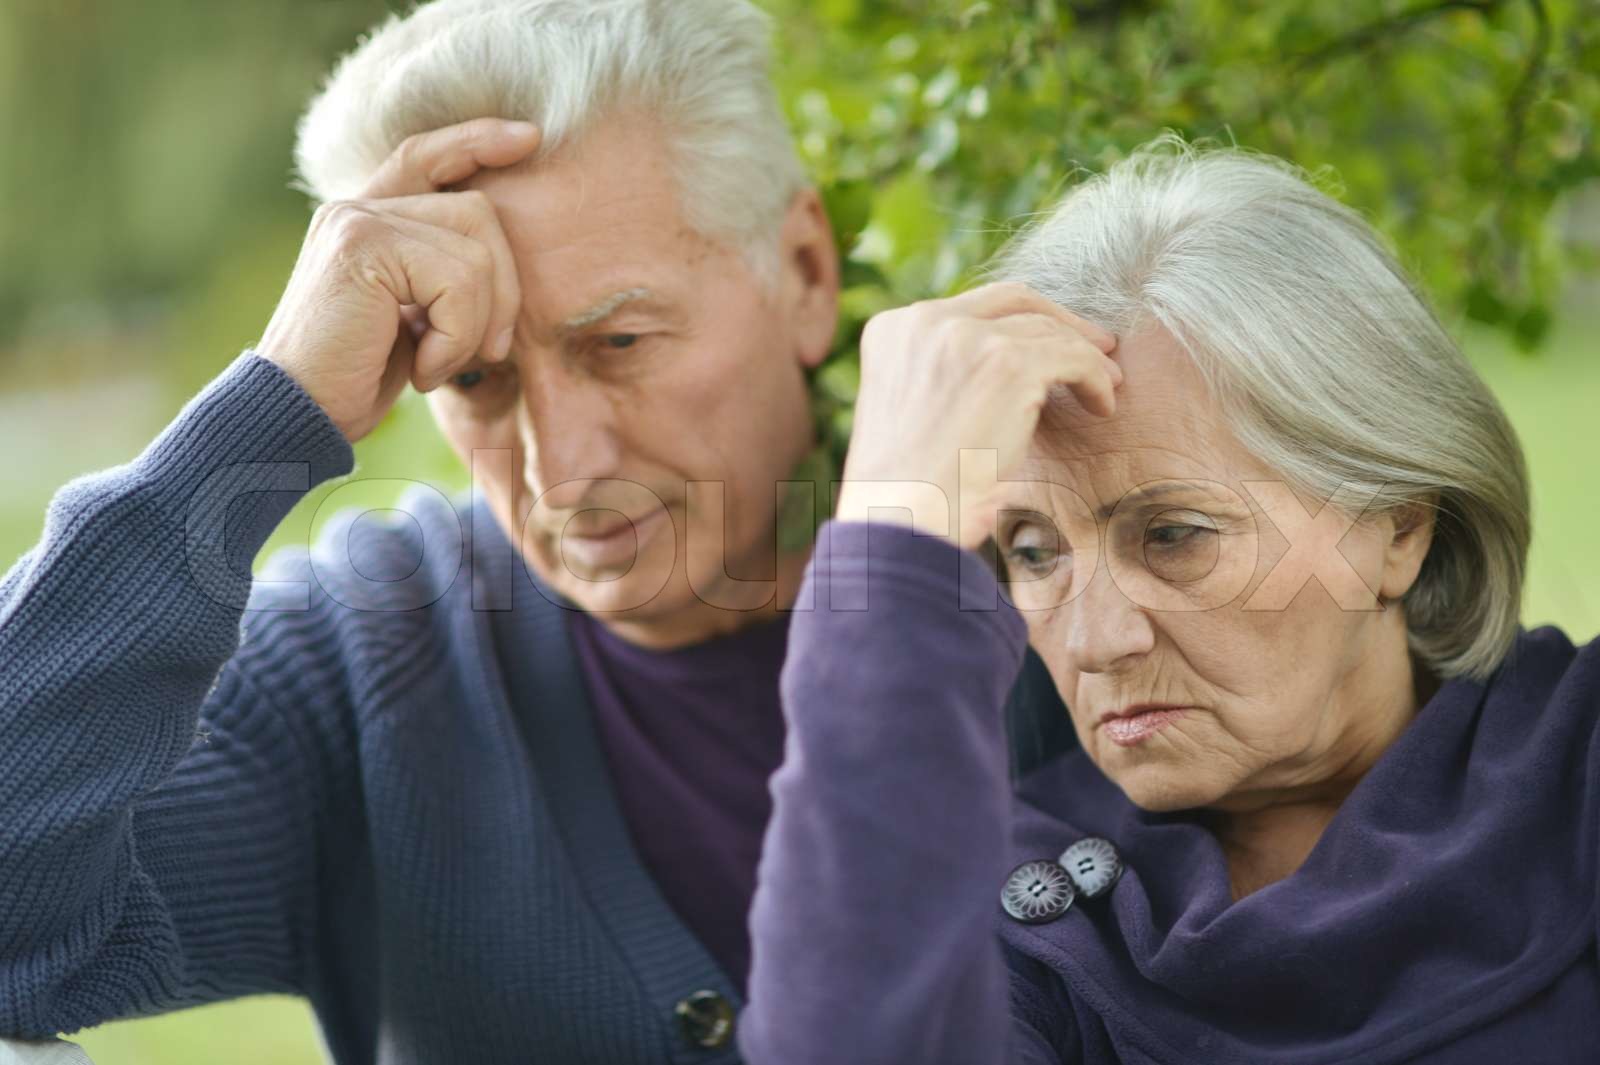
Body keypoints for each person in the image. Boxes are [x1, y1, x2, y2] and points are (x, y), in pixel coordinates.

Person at [0, 1, 1071, 1061]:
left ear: (802, 271)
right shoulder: (360, 672)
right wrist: (271, 407)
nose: (562, 468)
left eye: (619, 341)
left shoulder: (1078, 609)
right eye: (474, 377)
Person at [738, 138, 1600, 1063]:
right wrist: (890, 533)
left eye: (1175, 534)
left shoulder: (1574, 776)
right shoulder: (1019, 914)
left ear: (1396, 526)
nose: (1096, 642)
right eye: (1033, 551)